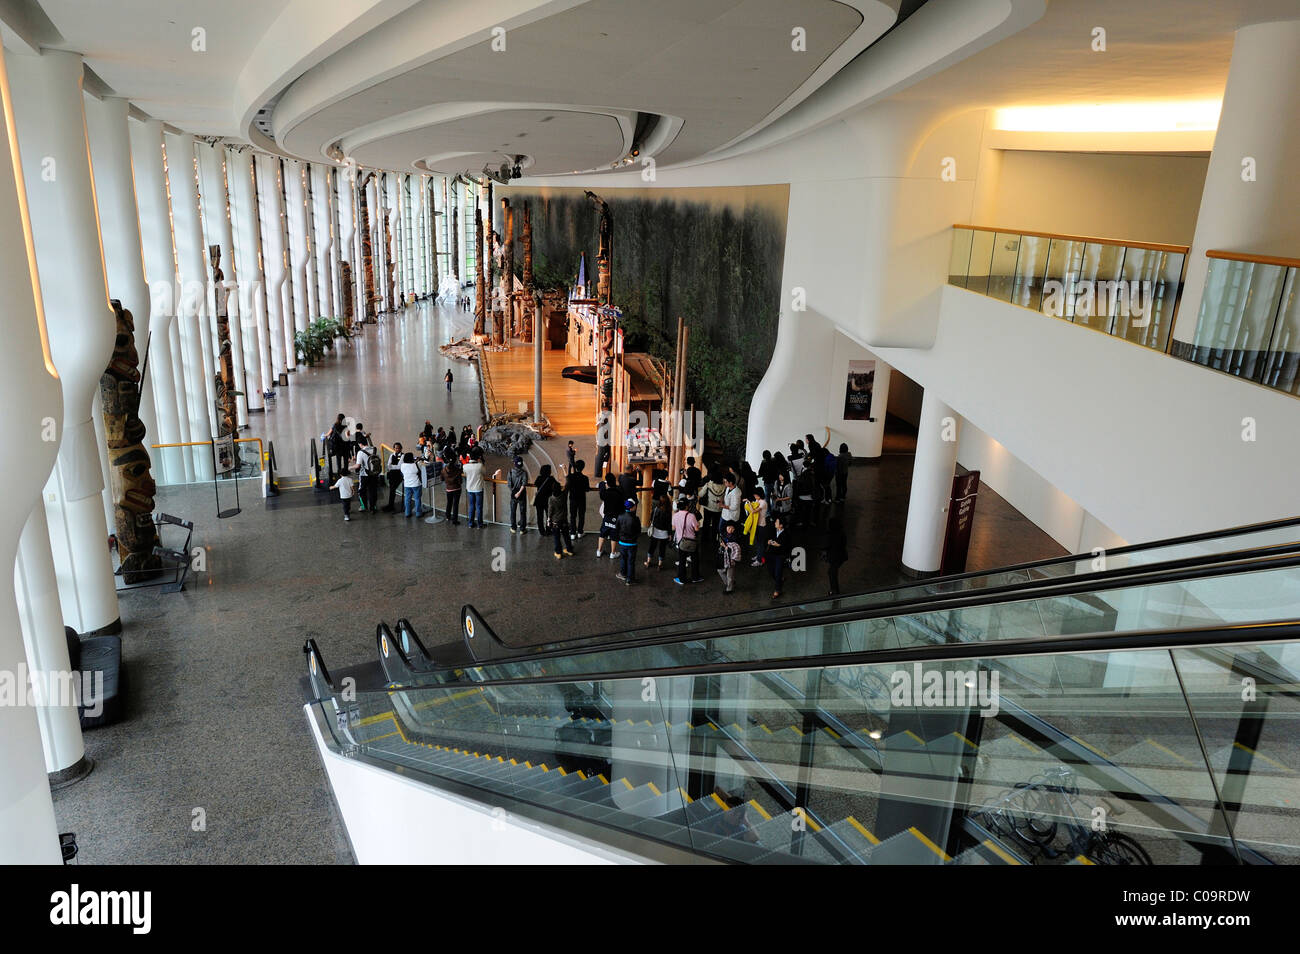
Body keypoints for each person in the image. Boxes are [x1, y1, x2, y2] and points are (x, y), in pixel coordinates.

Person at [672, 498, 702, 584]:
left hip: (681, 541)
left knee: (682, 561)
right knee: (695, 559)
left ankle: (682, 579)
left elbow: (674, 528)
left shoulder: (675, 516)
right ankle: (695, 577)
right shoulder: (691, 516)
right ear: (686, 506)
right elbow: (696, 529)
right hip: (692, 541)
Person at [700, 468, 725, 558]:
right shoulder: (724, 486)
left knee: (706, 522)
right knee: (715, 524)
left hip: (708, 507)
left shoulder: (708, 484)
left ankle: (704, 538)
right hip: (719, 509)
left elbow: (701, 494)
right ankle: (714, 538)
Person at [615, 499, 641, 584]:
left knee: (623, 559)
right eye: (634, 505)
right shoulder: (636, 519)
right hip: (632, 544)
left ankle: (623, 574)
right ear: (632, 508)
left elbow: (617, 528)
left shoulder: (620, 516)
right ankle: (630, 579)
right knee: (631, 561)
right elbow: (638, 532)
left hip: (622, 543)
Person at [595, 477, 621, 560]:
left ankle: (599, 551)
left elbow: (601, 488)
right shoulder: (618, 493)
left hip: (606, 517)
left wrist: (603, 483)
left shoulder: (605, 493)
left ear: (607, 484)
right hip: (615, 517)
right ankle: (612, 553)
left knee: (602, 533)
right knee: (614, 535)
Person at [646, 494, 672, 570]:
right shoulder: (668, 512)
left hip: (655, 532)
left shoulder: (656, 509)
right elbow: (669, 524)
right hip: (664, 533)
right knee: (662, 548)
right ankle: (659, 565)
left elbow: (651, 519)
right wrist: (670, 534)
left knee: (652, 546)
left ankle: (648, 562)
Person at [565, 460, 590, 537]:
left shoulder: (570, 477)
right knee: (581, 515)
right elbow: (587, 489)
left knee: (572, 516)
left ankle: (572, 533)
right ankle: (580, 532)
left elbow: (567, 487)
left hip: (572, 499)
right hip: (581, 499)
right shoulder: (585, 478)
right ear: (583, 467)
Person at [549, 484, 574, 558]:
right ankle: (569, 550)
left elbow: (550, 511)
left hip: (555, 522)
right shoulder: (564, 495)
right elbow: (567, 485)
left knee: (557, 537)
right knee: (566, 536)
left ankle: (558, 553)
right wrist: (566, 475)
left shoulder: (551, 499)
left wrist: (548, 519)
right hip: (564, 520)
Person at [355, 440, 380, 514]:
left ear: (360, 443)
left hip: (364, 475)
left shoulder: (360, 452)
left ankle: (363, 506)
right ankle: (373, 507)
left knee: (361, 491)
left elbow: (358, 465)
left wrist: (349, 468)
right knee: (373, 490)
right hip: (374, 473)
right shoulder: (375, 449)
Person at [767, 515, 788, 599]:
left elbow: (788, 546)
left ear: (781, 525)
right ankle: (779, 579)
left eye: (777, 522)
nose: (775, 523)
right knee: (771, 571)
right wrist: (768, 542)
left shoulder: (786, 534)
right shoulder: (773, 530)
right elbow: (767, 538)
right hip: (771, 554)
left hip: (780, 555)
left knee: (778, 572)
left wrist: (779, 545)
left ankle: (777, 590)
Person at [826, 516, 848, 595]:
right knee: (832, 572)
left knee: (832, 573)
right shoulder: (841, 533)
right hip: (840, 556)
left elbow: (828, 545)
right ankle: (835, 590)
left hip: (835, 557)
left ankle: (835, 591)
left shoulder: (832, 535)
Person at [744, 489, 767, 565]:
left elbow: (753, 511)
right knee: (758, 542)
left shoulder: (763, 502)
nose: (754, 496)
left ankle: (759, 560)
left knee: (760, 543)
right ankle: (758, 556)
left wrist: (749, 502)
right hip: (756, 524)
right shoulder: (758, 501)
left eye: (755, 495)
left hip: (761, 525)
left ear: (759, 495)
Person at [463, 448, 485, 528]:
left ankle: (470, 523)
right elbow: (484, 472)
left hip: (469, 489)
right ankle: (480, 524)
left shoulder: (465, 466)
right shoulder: (480, 466)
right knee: (479, 507)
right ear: (477, 457)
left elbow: (465, 474)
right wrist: (481, 461)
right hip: (478, 489)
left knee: (471, 506)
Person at [507, 456, 529, 533]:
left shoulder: (510, 472)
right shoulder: (524, 473)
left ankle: (513, 528)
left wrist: (514, 492)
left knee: (513, 511)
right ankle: (522, 529)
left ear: (514, 463)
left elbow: (509, 484)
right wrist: (519, 493)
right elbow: (524, 484)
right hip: (522, 494)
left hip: (513, 494)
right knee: (523, 512)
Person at [717, 522, 742, 594]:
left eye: (732, 528)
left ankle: (729, 589)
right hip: (724, 557)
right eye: (728, 527)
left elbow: (734, 549)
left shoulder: (735, 537)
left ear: (734, 529)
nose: (730, 529)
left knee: (729, 574)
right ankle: (729, 583)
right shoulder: (723, 535)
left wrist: (725, 546)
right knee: (720, 571)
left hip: (731, 558)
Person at [534, 464, 558, 535]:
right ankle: (548, 530)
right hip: (548, 501)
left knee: (539, 516)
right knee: (549, 516)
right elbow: (557, 485)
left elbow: (535, 484)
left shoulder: (539, 478)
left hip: (539, 500)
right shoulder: (551, 479)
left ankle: (541, 531)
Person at [383, 442, 404, 512]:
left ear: (401, 449)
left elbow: (399, 466)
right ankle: (390, 505)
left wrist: (392, 466)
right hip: (392, 475)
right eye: (395, 448)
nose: (396, 449)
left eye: (398, 448)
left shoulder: (403, 456)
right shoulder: (392, 455)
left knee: (392, 490)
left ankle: (390, 505)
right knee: (392, 490)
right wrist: (392, 466)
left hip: (398, 476)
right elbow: (388, 465)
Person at [400, 452, 422, 518]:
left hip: (407, 484)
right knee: (417, 499)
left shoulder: (402, 465)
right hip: (416, 484)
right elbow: (418, 471)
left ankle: (407, 513)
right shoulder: (415, 465)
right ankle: (418, 513)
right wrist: (417, 461)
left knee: (407, 499)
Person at [442, 454, 462, 524]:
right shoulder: (457, 470)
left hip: (448, 489)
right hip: (457, 489)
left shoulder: (444, 469)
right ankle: (455, 520)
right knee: (455, 504)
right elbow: (460, 481)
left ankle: (448, 516)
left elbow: (441, 479)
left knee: (449, 503)